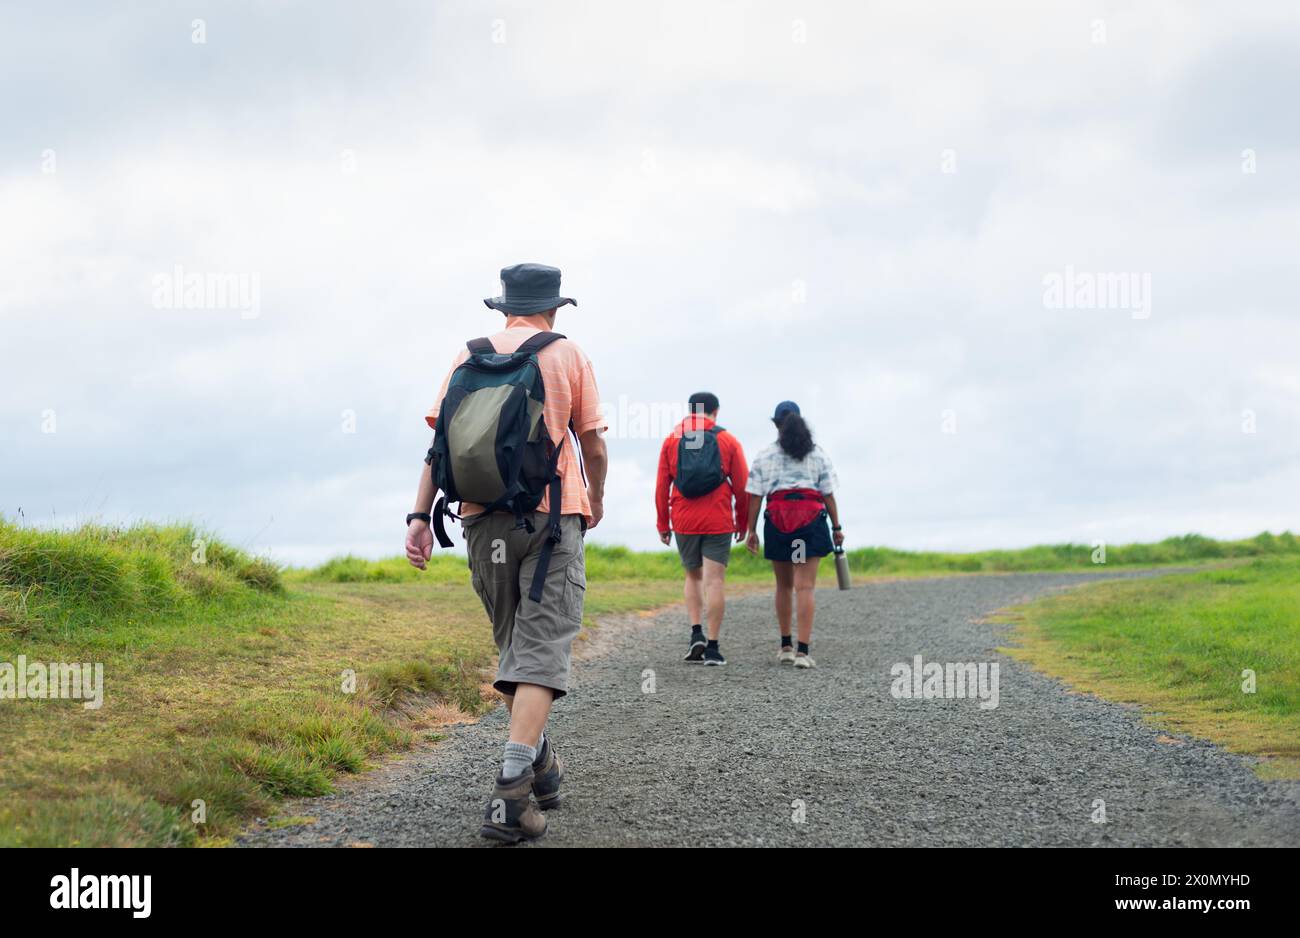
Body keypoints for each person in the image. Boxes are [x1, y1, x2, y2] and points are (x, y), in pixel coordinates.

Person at [405, 263, 607, 843]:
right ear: (555, 306)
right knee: (540, 650)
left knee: (516, 649)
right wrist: (593, 498)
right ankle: (512, 790)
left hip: (477, 519)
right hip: (550, 519)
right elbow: (592, 442)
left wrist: (420, 518)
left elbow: (436, 445)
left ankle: (540, 762)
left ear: (503, 307)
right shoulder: (567, 354)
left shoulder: (468, 357)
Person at [744, 401, 842, 669]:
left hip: (779, 523)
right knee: (805, 586)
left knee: (784, 585)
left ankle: (785, 645)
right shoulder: (818, 454)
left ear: (776, 424)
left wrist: (751, 530)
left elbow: (755, 495)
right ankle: (803, 651)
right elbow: (828, 494)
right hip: (808, 525)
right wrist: (836, 528)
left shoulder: (765, 455)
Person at [655, 392, 749, 666]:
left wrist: (663, 522)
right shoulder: (727, 440)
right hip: (718, 518)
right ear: (715, 411)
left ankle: (696, 633)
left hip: (683, 518)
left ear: (690, 410)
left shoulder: (672, 439)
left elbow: (662, 486)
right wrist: (742, 522)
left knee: (693, 577)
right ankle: (714, 647)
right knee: (715, 581)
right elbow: (743, 486)